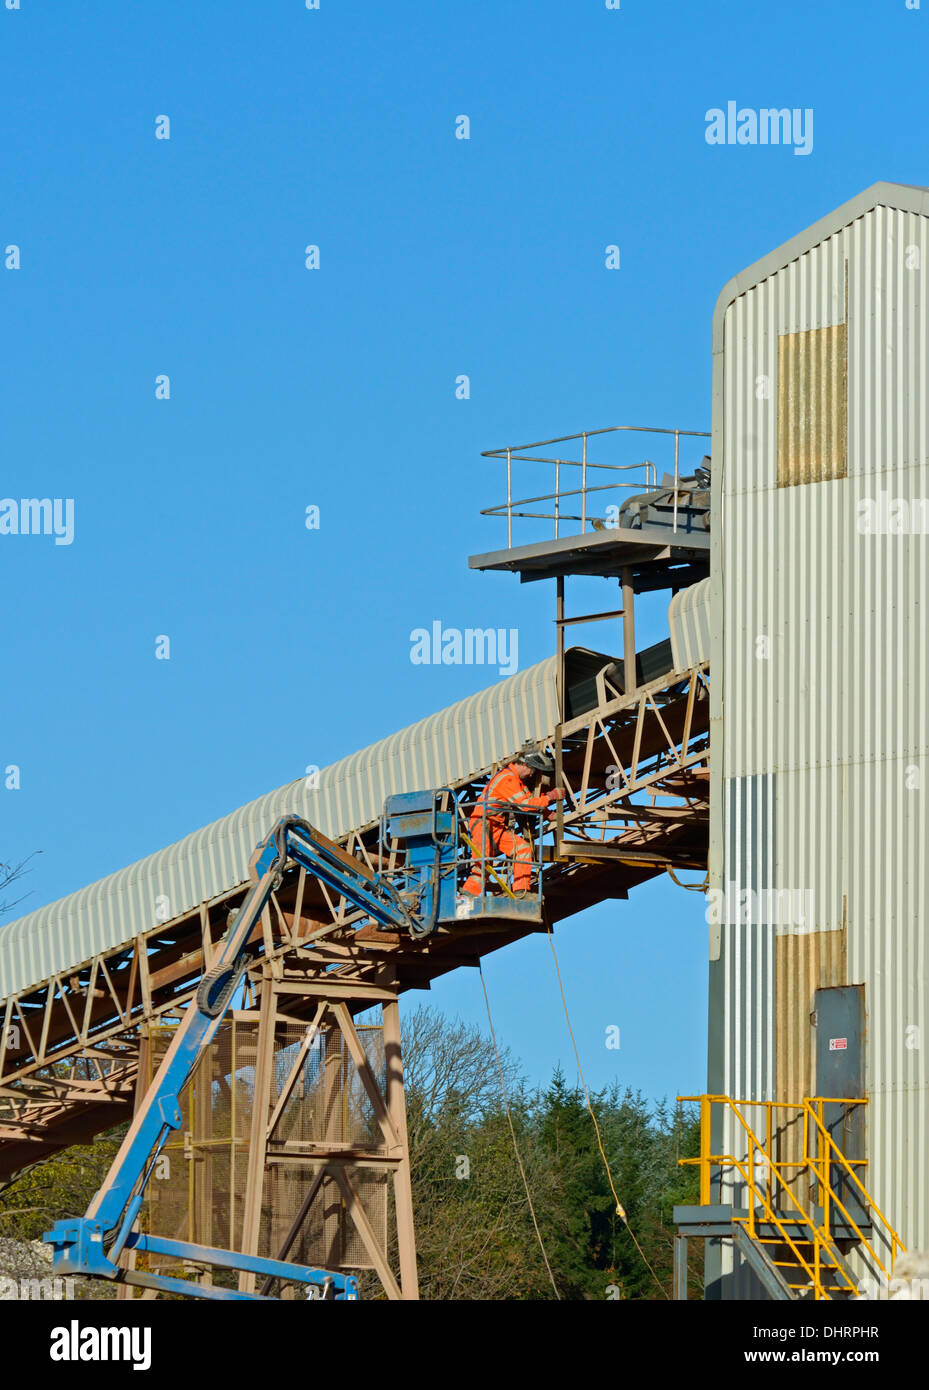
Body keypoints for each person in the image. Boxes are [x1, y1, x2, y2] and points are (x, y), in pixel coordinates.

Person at [461, 748, 564, 897]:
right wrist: (550, 797)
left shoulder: (516, 782)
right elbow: (526, 805)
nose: (531, 774)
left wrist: (548, 814)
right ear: (525, 765)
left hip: (496, 826)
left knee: (522, 849)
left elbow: (529, 801)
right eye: (533, 770)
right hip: (484, 824)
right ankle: (466, 899)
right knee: (481, 867)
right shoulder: (507, 779)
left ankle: (521, 891)